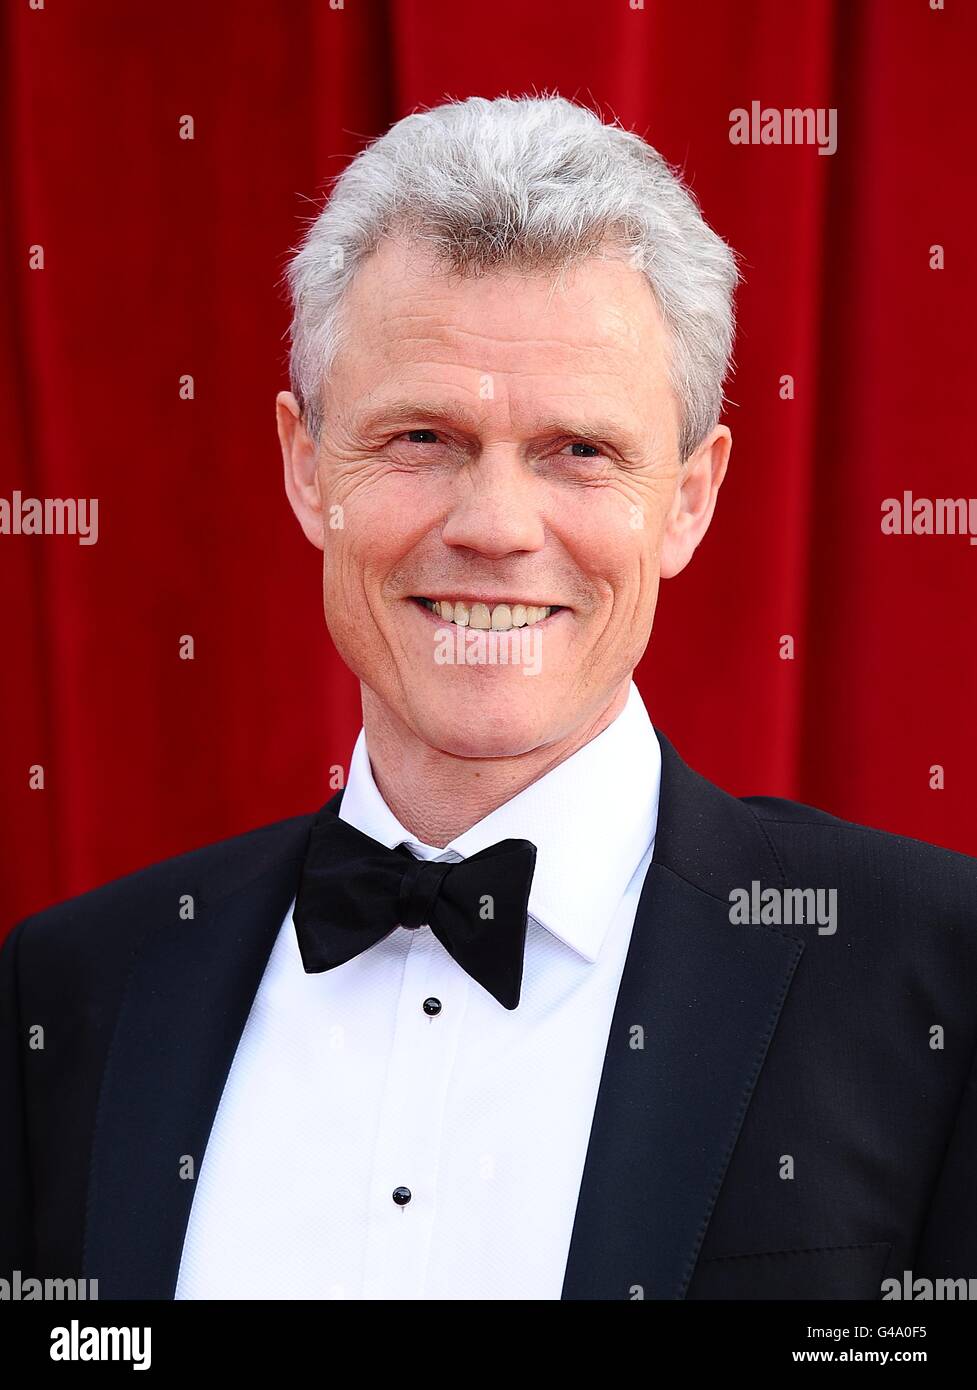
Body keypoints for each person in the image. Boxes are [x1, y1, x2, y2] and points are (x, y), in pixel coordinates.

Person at [2, 94, 975, 1302]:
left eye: (579, 450)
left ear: (688, 496)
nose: (494, 529)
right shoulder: (73, 993)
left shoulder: (939, 975)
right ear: (308, 469)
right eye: (421, 437)